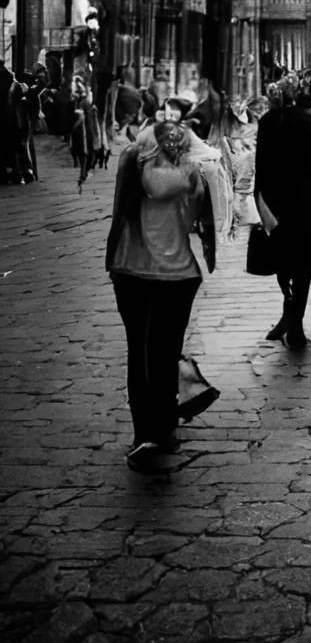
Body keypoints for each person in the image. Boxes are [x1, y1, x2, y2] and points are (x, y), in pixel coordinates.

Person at [106, 95, 219, 471]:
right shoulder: (197, 171)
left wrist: (111, 260)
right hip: (179, 275)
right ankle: (165, 425)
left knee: (140, 354)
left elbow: (120, 211)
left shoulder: (135, 159)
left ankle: (147, 433)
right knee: (165, 351)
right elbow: (207, 222)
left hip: (133, 270)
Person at [255, 72, 311, 349]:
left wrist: (262, 201)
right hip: (309, 203)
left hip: (280, 204)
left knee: (284, 262)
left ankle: (290, 317)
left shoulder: (268, 121)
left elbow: (262, 166)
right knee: (302, 266)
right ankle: (294, 321)